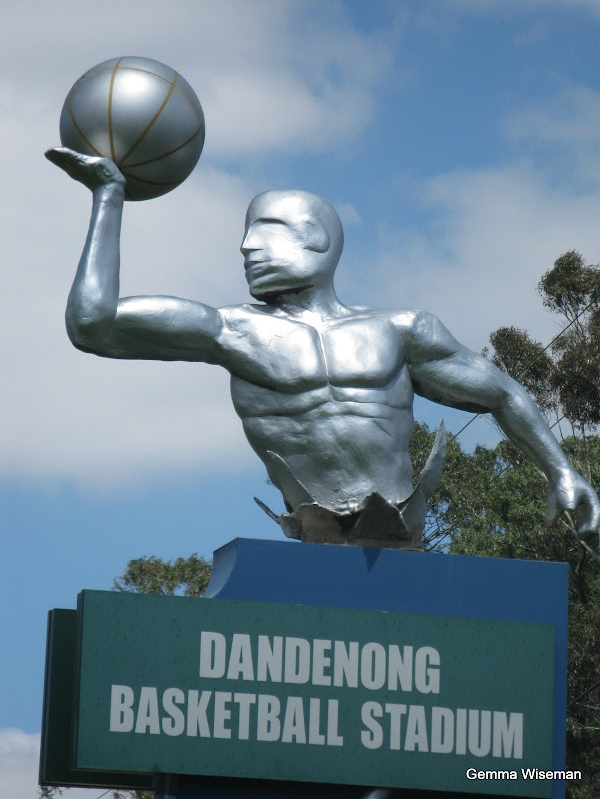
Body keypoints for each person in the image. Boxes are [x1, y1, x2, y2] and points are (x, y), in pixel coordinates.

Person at [46, 147, 600, 549]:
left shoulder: (400, 329)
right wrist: (108, 198)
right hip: (315, 533)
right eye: (246, 231)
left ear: (317, 239)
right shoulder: (229, 330)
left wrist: (562, 471)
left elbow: (502, 394)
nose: (246, 245)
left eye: (266, 229)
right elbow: (92, 325)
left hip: (400, 533)